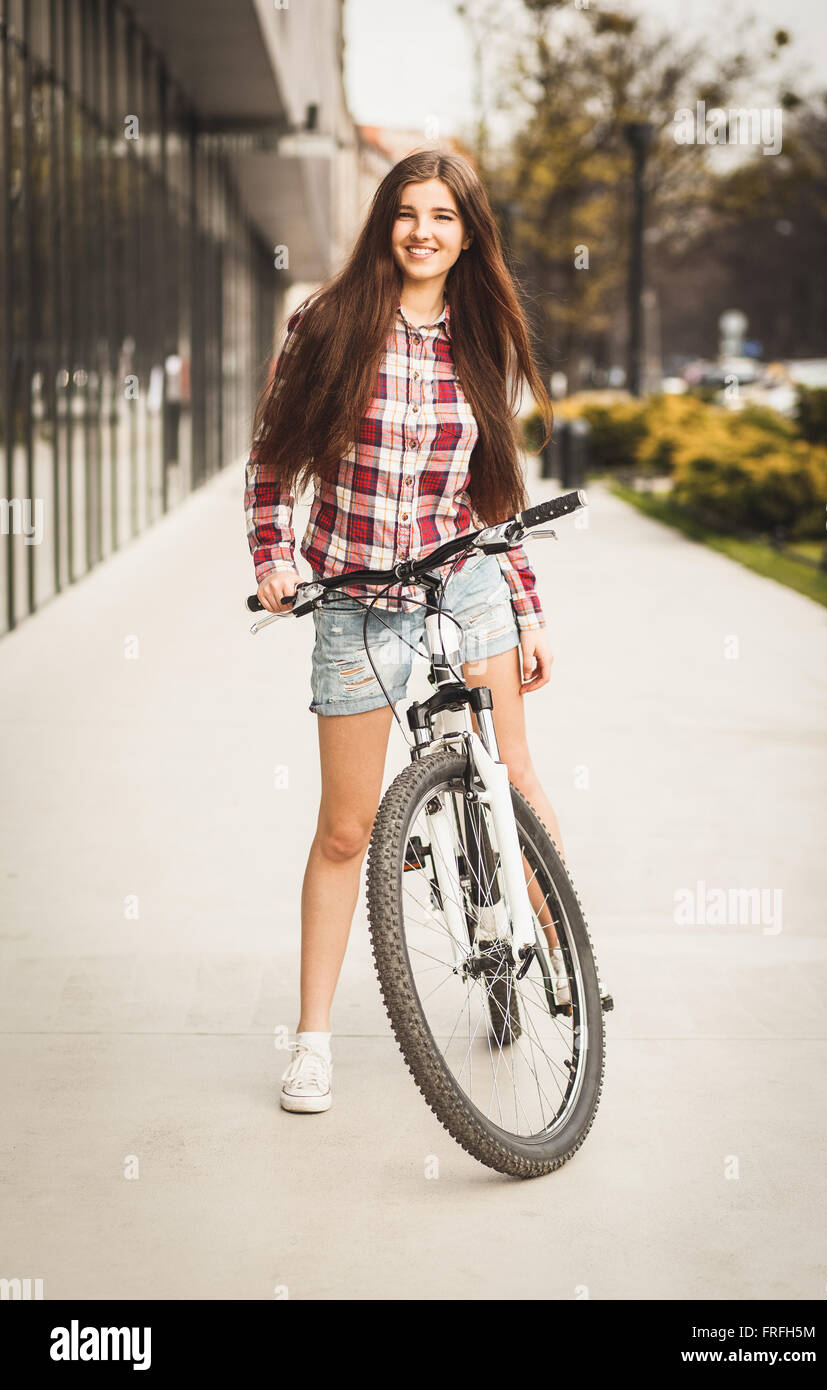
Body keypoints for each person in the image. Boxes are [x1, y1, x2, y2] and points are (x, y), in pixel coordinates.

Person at [243, 150, 569, 1114]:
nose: (424, 230)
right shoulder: (327, 324)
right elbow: (271, 462)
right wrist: (272, 560)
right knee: (346, 831)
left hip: (463, 584)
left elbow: (493, 490)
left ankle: (560, 966)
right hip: (352, 598)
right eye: (407, 214)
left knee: (512, 774)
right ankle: (310, 1043)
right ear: (385, 224)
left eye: (444, 216)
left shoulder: (482, 340)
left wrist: (526, 602)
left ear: (469, 234)